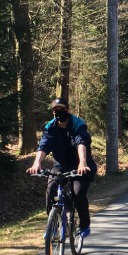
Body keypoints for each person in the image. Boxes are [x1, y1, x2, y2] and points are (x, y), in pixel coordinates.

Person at [26, 97, 96, 238]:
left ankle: (84, 225)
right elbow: (44, 145)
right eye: (56, 110)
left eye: (62, 110)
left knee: (78, 194)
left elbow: (81, 142)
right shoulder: (50, 127)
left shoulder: (77, 124)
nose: (59, 113)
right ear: (53, 112)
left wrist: (82, 162)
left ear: (68, 110)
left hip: (80, 164)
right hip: (62, 164)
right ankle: (54, 224)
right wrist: (36, 163)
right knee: (51, 188)